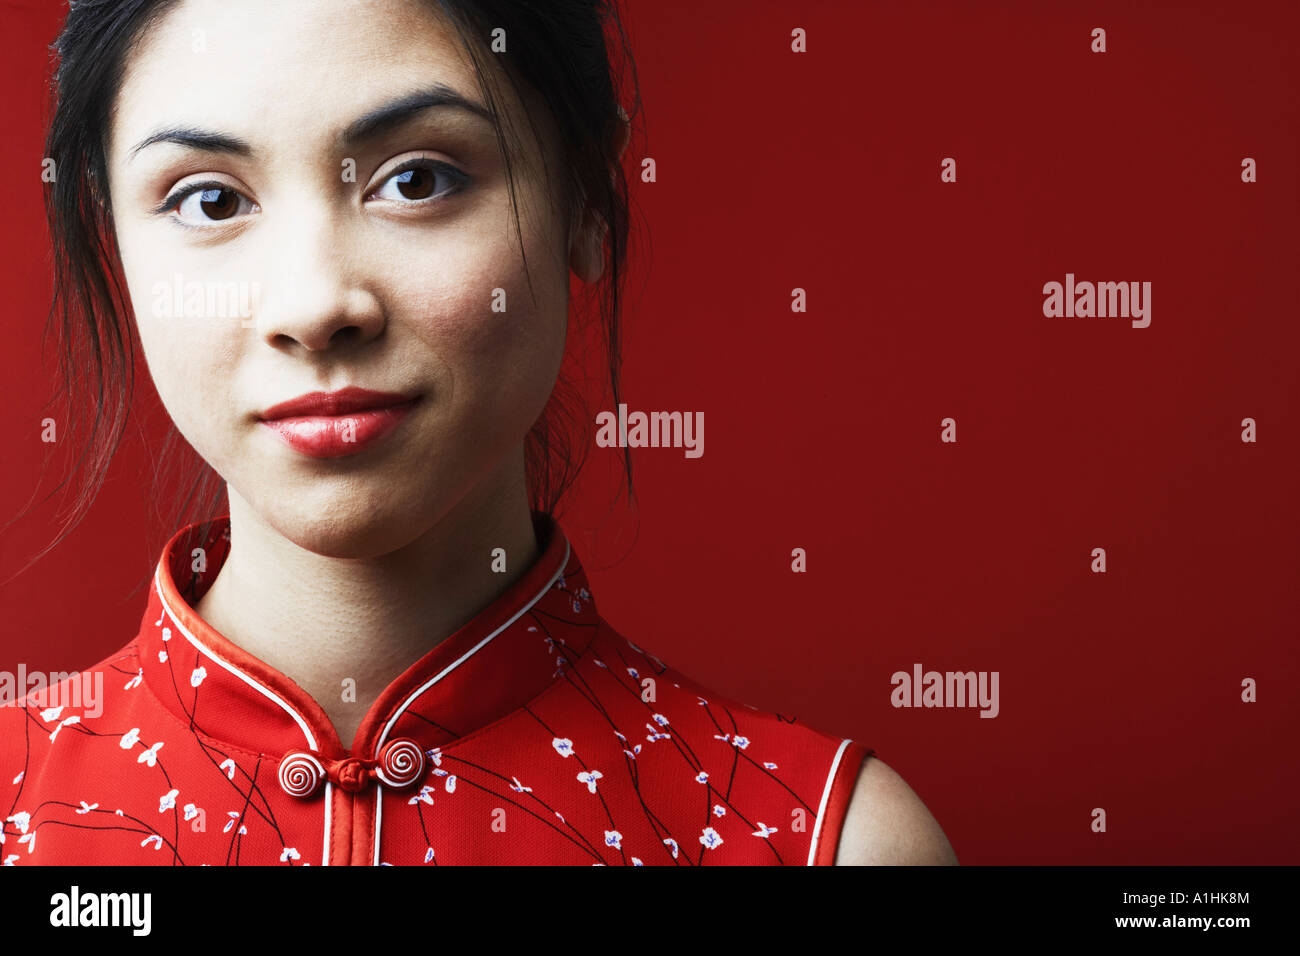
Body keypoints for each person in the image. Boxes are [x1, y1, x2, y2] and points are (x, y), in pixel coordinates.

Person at [1, 0, 957, 865]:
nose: (316, 304)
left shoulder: (820, 840)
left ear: (584, 196)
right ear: (110, 236)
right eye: (210, 200)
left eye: (417, 179)